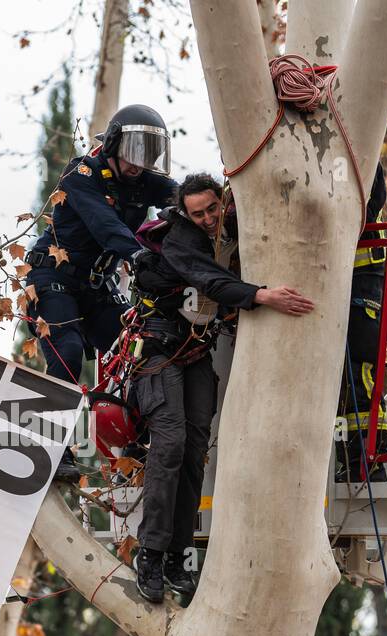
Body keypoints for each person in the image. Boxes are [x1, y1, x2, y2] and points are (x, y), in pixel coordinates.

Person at [129, 173, 314, 603]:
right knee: (170, 443)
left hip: (195, 352)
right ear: (185, 213)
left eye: (213, 208)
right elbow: (210, 280)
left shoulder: (235, 224)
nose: (209, 218)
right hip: (158, 350)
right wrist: (263, 296)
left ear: (222, 201)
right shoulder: (179, 240)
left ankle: (178, 554)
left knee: (195, 449)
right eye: (199, 213)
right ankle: (151, 553)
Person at [26, 103, 178, 480]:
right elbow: (104, 224)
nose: (138, 162)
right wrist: (141, 256)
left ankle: (134, 446)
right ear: (112, 143)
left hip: (96, 286)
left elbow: (186, 197)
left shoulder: (145, 182)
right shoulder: (82, 174)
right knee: (68, 350)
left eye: (148, 153)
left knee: (137, 351)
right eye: (133, 150)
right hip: (53, 277)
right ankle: (50, 447)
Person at [336, 162, 387, 482]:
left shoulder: (362, 168)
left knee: (361, 380)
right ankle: (353, 457)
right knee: (350, 382)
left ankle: (369, 459)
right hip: (355, 303)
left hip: (362, 305)